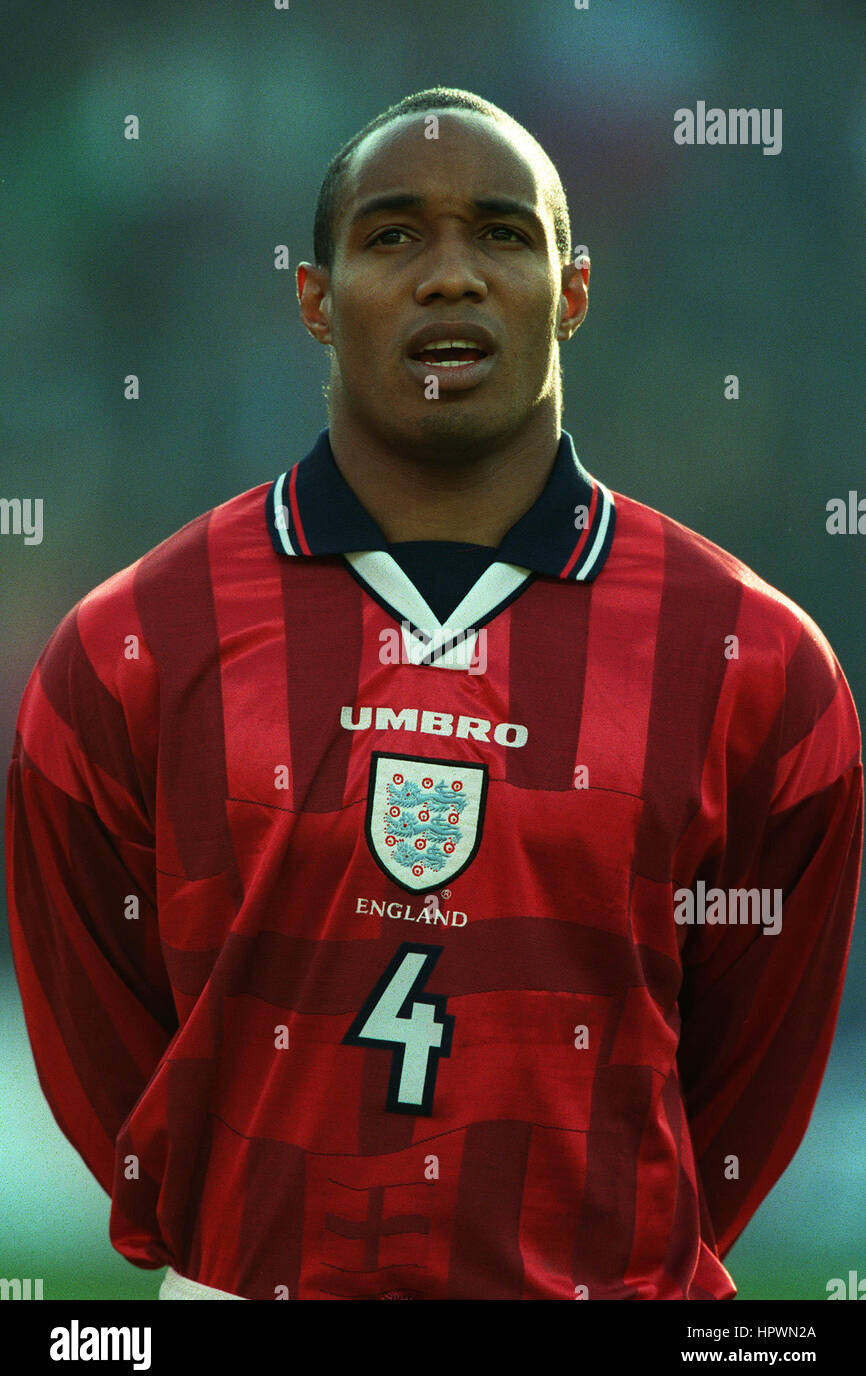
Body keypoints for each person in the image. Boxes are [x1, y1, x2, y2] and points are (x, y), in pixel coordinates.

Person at [5, 87, 862, 1301]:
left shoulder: (759, 666)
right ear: (313, 299)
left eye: (502, 235)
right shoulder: (128, 649)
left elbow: (743, 1085)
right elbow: (110, 1054)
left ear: (571, 290)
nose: (450, 276)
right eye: (394, 234)